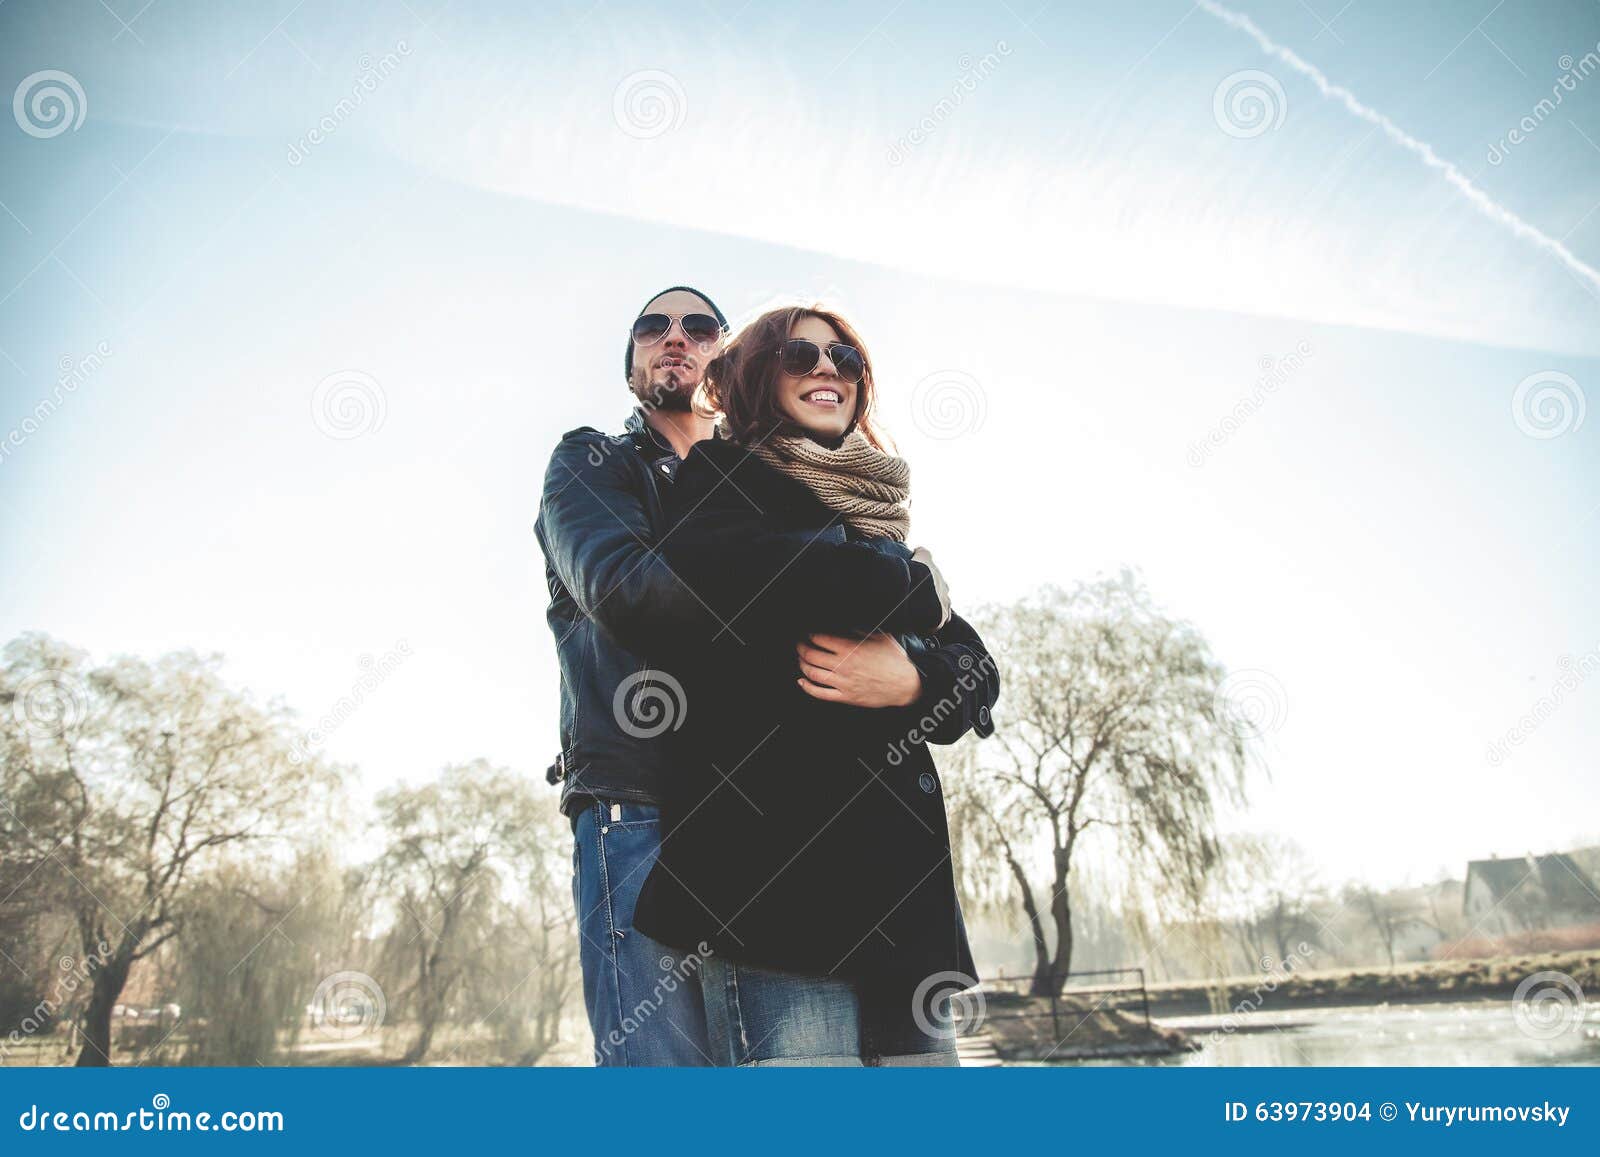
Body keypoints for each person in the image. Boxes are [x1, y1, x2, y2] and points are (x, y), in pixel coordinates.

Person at [533, 288, 995, 1066]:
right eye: (652, 326)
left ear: (727, 359)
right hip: (642, 797)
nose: (674, 338)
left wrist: (914, 670)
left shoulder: (811, 488)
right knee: (664, 1076)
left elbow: (969, 662)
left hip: (821, 841)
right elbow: (637, 596)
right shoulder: (602, 464)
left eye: (700, 326)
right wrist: (895, 585)